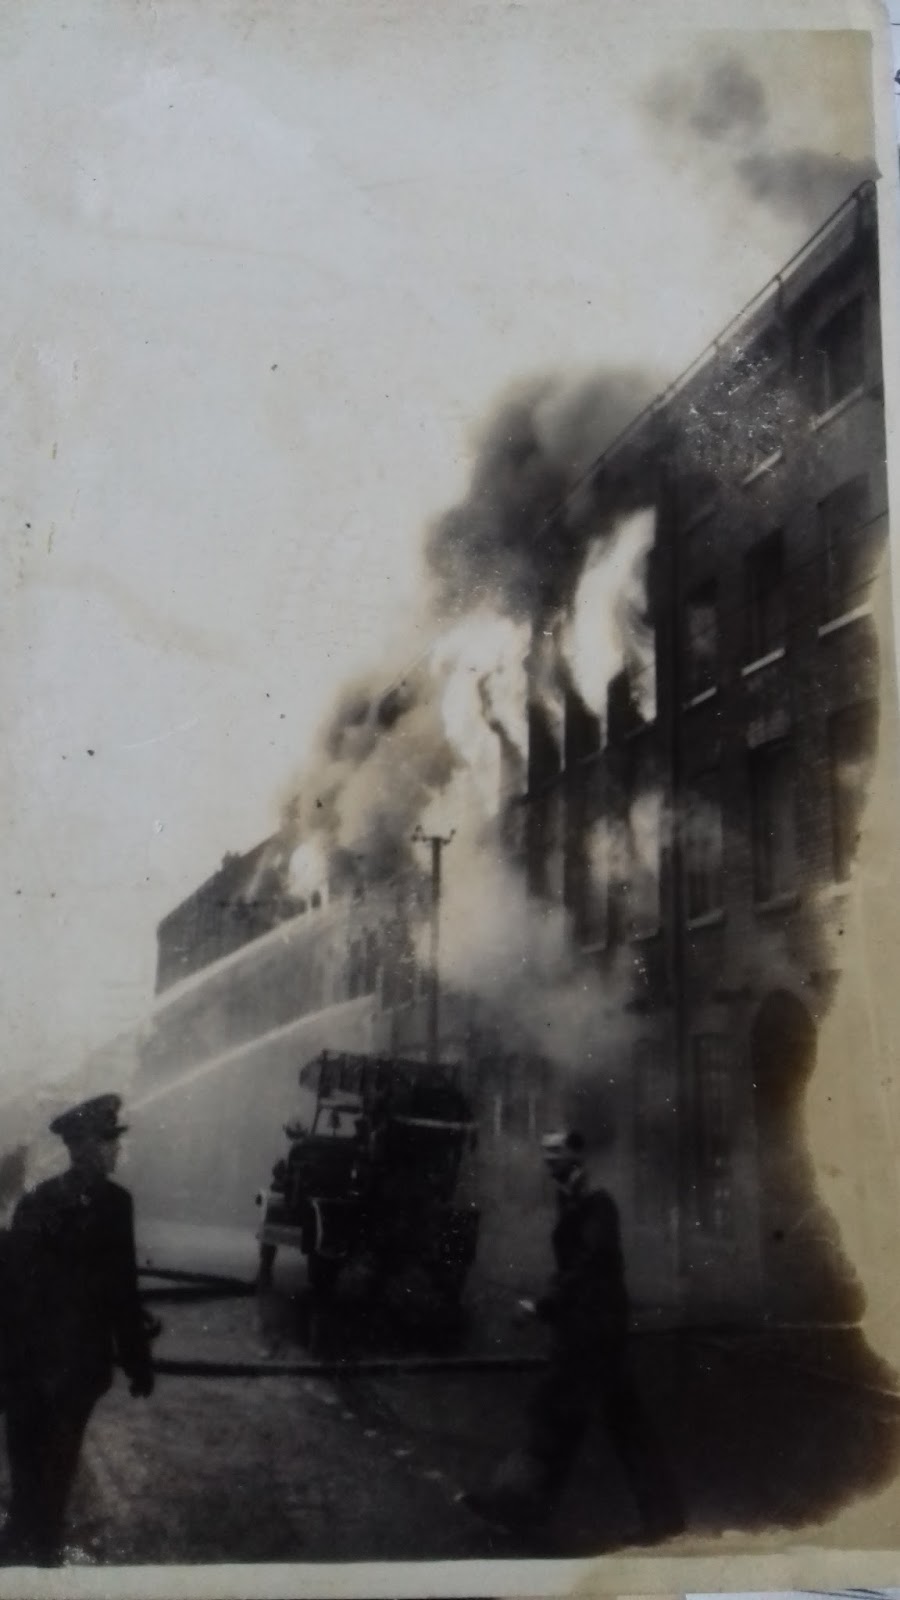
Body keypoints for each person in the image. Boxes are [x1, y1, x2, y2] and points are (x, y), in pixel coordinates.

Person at [463, 1129, 685, 1547]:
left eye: (555, 1151)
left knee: (567, 1420)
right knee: (574, 1424)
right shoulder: (572, 1196)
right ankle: (520, 1510)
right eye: (544, 1151)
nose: (547, 1158)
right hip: (586, 1330)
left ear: (575, 1156)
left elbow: (587, 1266)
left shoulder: (596, 1202)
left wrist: (542, 1305)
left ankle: (516, 1509)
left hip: (594, 1332)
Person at [0, 1094, 155, 1566]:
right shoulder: (114, 1204)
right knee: (59, 1458)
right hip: (76, 1362)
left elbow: (12, 1287)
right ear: (85, 1147)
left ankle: (20, 1537)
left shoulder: (36, 1200)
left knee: (26, 1449)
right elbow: (120, 1293)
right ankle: (42, 1551)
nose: (115, 1152)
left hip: (28, 1361)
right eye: (109, 1143)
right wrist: (137, 1362)